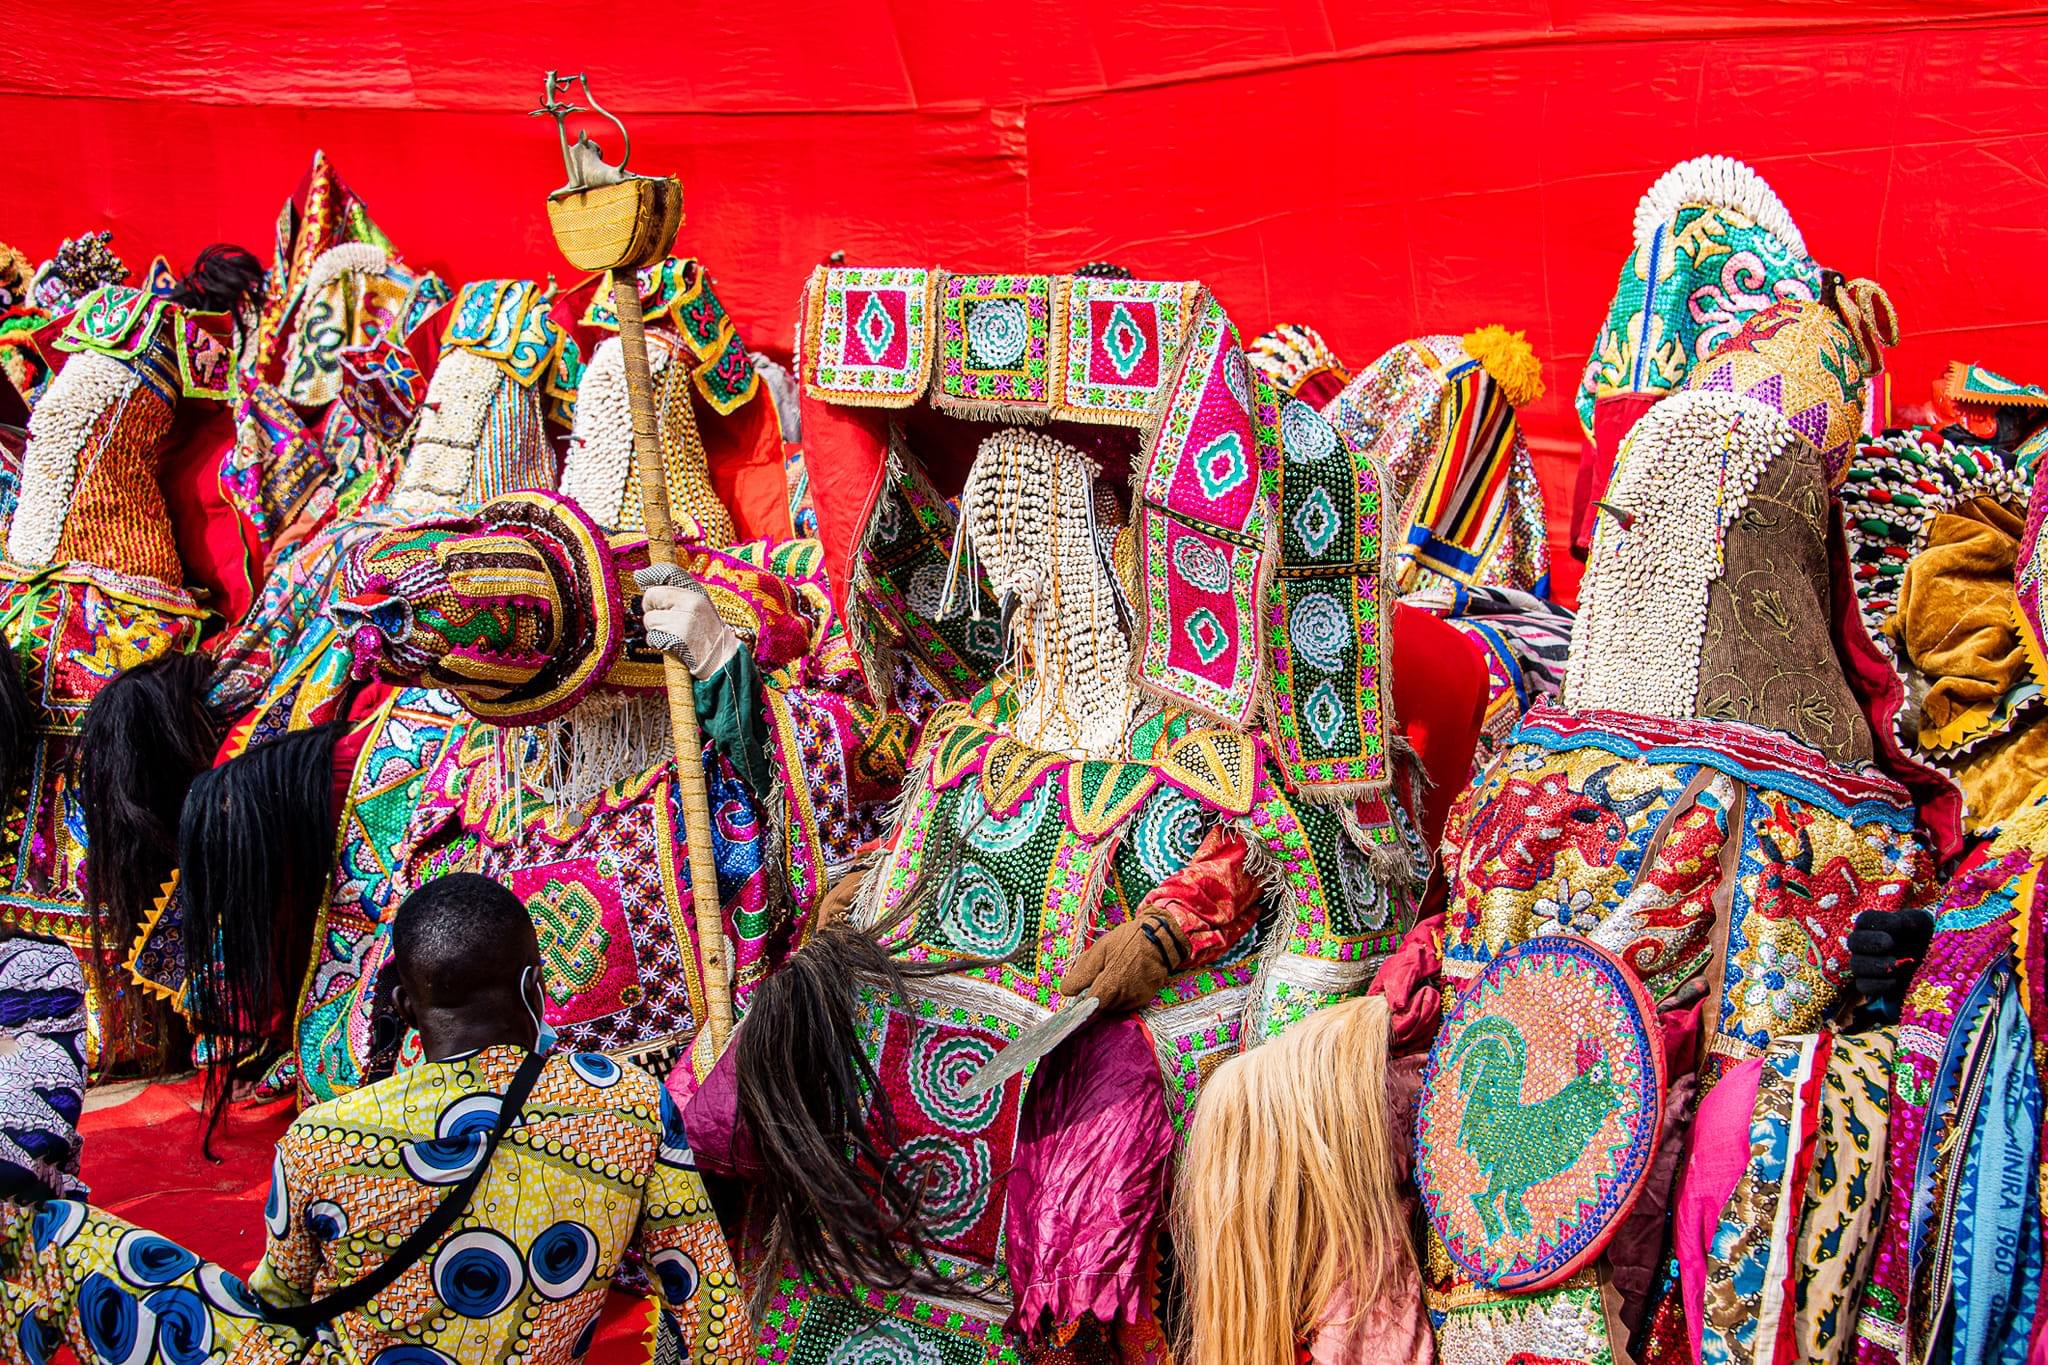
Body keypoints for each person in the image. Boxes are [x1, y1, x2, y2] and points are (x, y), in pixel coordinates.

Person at [0, 872, 748, 1364]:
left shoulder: (325, 1136)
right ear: (534, 985)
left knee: (47, 1231)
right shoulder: (629, 1102)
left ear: (401, 1005)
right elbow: (710, 1304)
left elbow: (281, 1305)